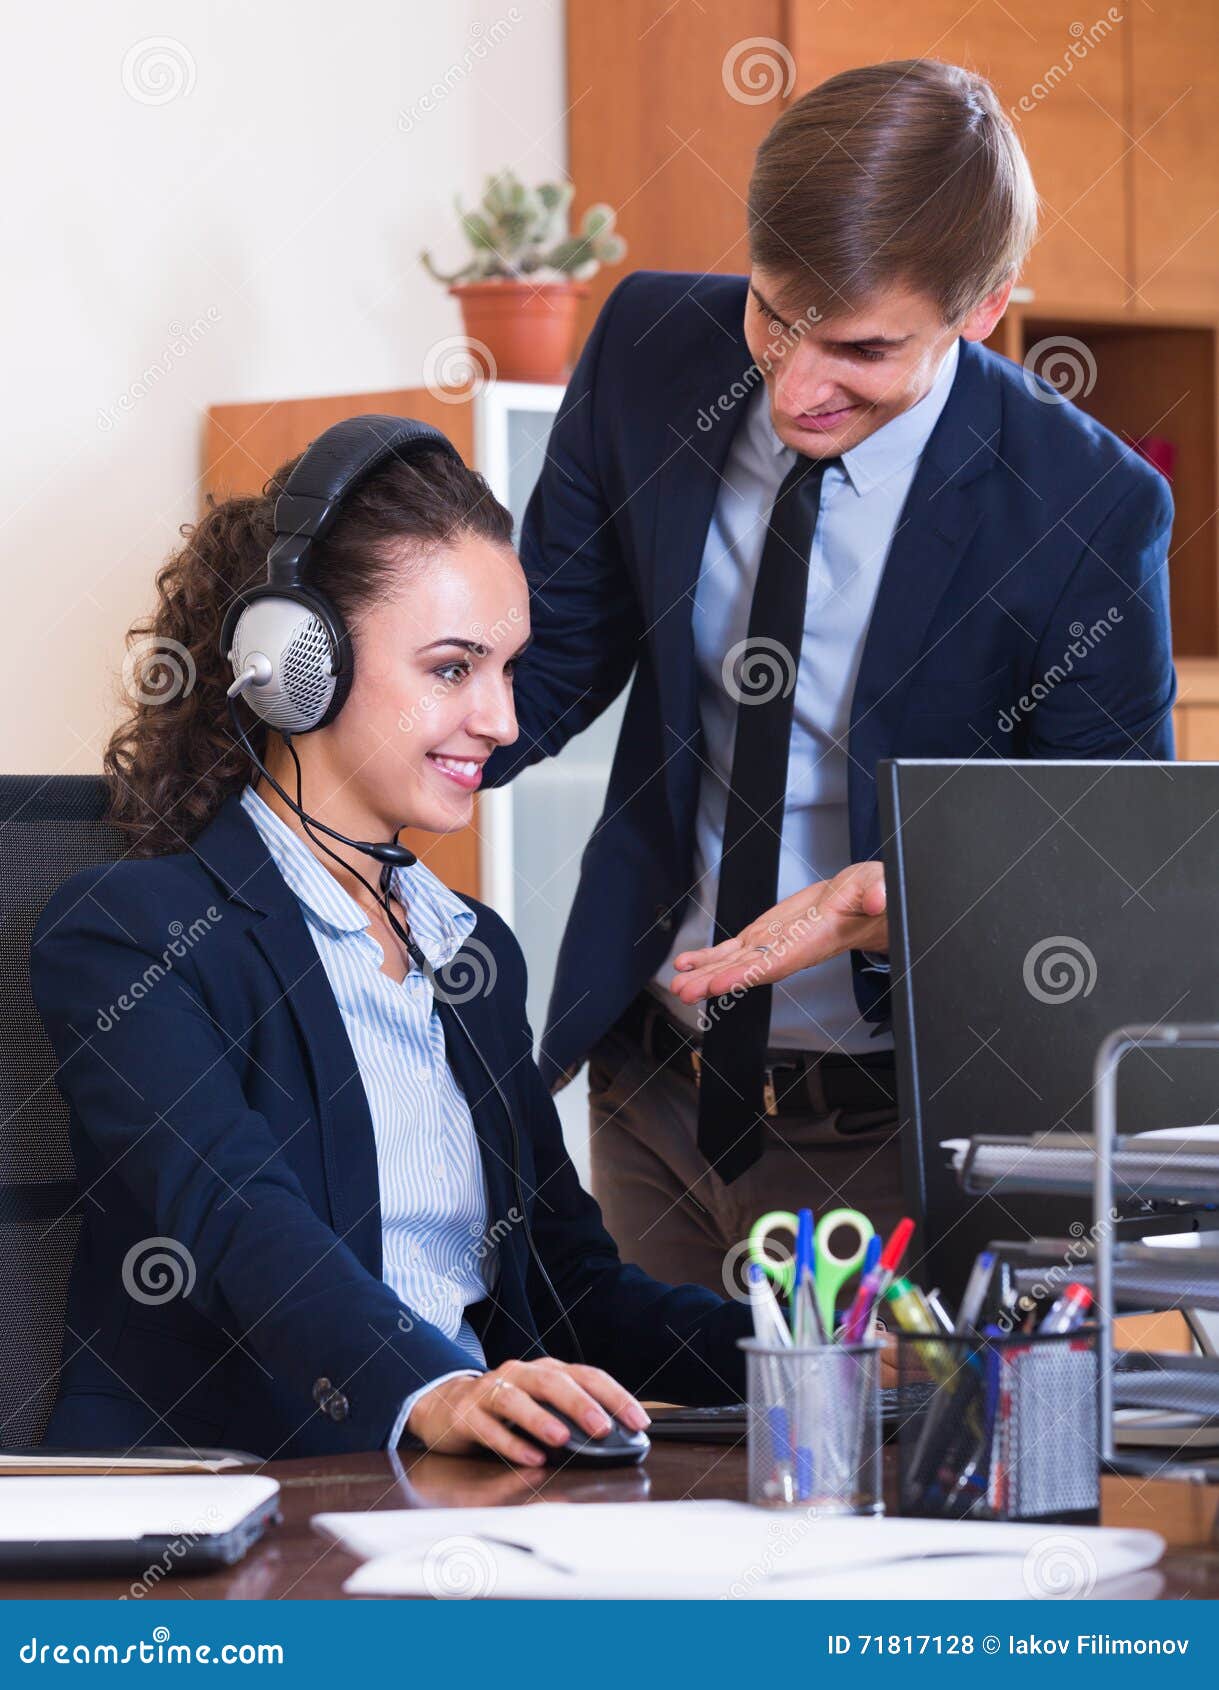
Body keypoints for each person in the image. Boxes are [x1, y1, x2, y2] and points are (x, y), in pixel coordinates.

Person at [481, 58, 1176, 1293]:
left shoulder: (1084, 507)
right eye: (773, 316)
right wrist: (349, 746)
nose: (797, 386)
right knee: (654, 1468)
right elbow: (546, 663)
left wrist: (885, 891)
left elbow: (1104, 868)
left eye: (859, 348)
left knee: (863, 1476)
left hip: (892, 1123)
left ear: (982, 305)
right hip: (653, 1088)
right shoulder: (650, 349)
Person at [29, 422, 755, 1464]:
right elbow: (240, 1223)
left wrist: (811, 1345)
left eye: (508, 671)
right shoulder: (130, 935)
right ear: (292, 666)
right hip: (246, 1513)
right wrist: (438, 1390)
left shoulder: (469, 954)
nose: (501, 719)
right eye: (453, 669)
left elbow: (570, 1284)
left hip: (454, 1498)